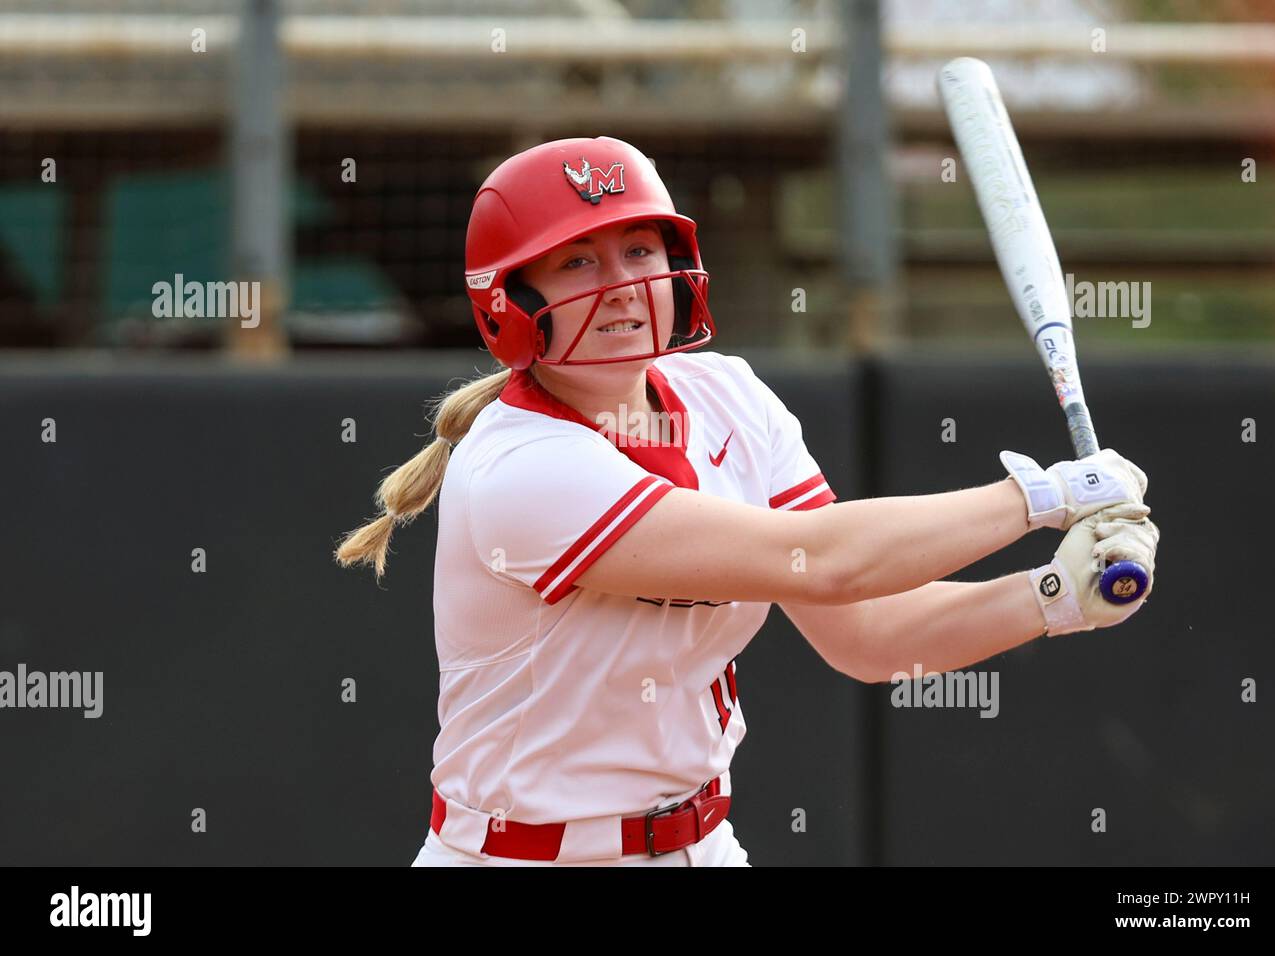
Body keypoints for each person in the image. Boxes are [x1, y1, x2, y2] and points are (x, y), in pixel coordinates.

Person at [333, 136, 1160, 867]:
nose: (621, 286)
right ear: (511, 300)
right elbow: (828, 562)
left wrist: (1055, 597)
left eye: (638, 250)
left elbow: (867, 635)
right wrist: (1046, 496)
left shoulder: (725, 392)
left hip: (703, 845)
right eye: (579, 260)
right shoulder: (520, 465)